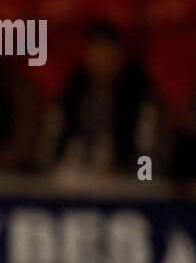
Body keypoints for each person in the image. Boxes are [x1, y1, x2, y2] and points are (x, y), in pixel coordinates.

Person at [43, 22, 162, 174]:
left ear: (120, 55)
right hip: (71, 183)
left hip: (125, 190)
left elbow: (150, 158)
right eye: (95, 50)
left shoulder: (141, 99)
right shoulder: (70, 93)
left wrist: (126, 173)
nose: (100, 59)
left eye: (106, 50)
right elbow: (47, 149)